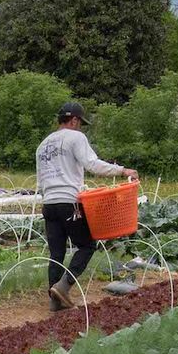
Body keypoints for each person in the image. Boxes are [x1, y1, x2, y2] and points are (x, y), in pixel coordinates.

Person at [34, 101, 136, 310]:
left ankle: (55, 300)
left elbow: (40, 179)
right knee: (87, 245)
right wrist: (122, 170)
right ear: (74, 120)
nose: (80, 127)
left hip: (49, 203)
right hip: (69, 201)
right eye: (80, 123)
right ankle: (63, 286)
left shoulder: (43, 145)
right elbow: (92, 164)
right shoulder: (76, 137)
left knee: (56, 253)